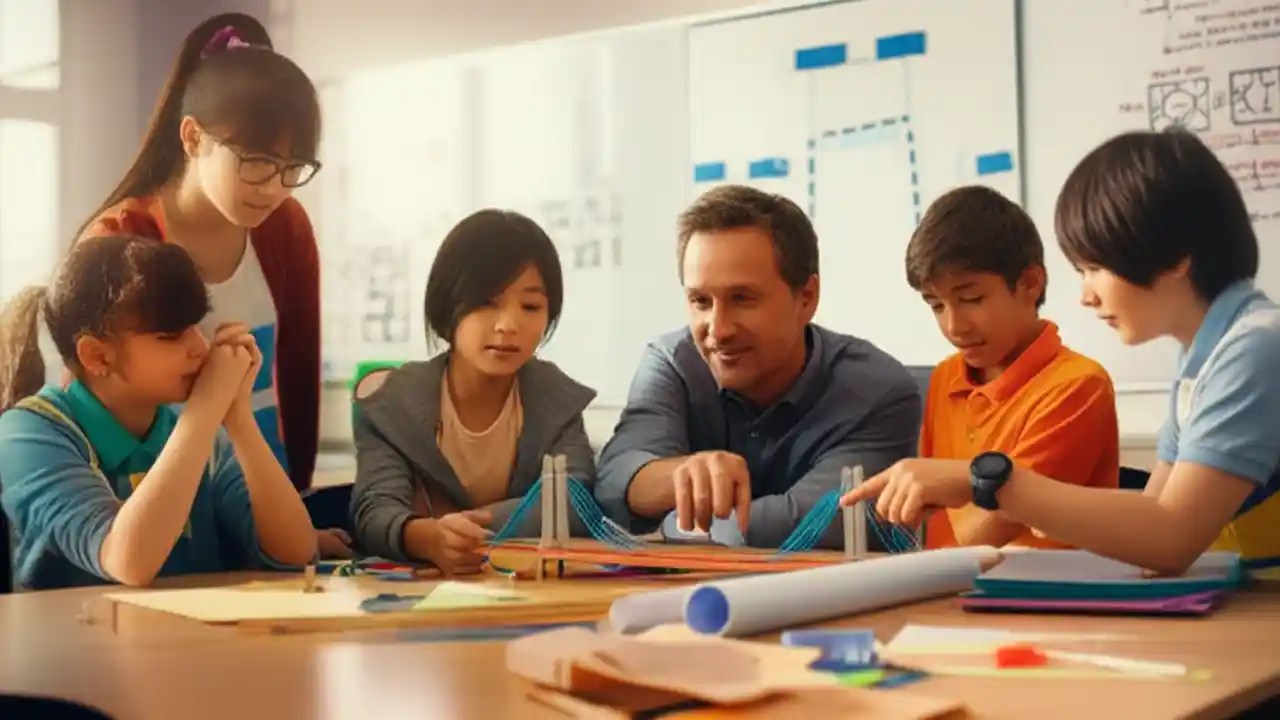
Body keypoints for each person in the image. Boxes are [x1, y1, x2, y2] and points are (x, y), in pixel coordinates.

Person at [841, 129, 1280, 575]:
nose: (1085, 296)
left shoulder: (1254, 348)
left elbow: (1169, 538)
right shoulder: (1204, 356)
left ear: (1175, 259)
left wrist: (982, 480)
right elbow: (1153, 519)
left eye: (1094, 268)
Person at [74, 14, 349, 557]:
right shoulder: (120, 239)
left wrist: (293, 513)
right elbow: (94, 403)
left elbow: (295, 376)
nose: (274, 187)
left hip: (265, 514)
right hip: (159, 523)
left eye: (293, 167)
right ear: (193, 137)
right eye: (256, 162)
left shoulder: (286, 230)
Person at [595, 184, 921, 548]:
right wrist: (681, 477)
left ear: (807, 298)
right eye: (700, 301)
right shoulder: (673, 361)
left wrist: (677, 519)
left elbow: (816, 524)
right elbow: (613, 482)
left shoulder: (879, 392)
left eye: (742, 299)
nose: (718, 330)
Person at [0, 236, 317, 590]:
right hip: (78, 641)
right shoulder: (27, 433)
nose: (199, 347)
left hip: (186, 639)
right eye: (170, 337)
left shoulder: (191, 424)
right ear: (98, 357)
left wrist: (238, 417)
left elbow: (297, 553)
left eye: (196, 326)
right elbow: (128, 562)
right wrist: (205, 411)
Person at [350, 210, 597, 575]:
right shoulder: (392, 405)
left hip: (523, 595)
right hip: (414, 603)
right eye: (486, 303)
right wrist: (429, 538)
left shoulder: (556, 400)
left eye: (530, 306)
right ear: (447, 305)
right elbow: (374, 510)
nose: (508, 325)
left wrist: (475, 523)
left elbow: (574, 498)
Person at [905, 185, 1119, 549]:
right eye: (936, 305)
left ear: (1030, 283)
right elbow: (932, 523)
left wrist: (938, 484)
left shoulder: (1078, 386)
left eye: (972, 299)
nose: (954, 326)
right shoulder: (946, 378)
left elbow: (985, 529)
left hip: (1039, 598)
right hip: (944, 593)